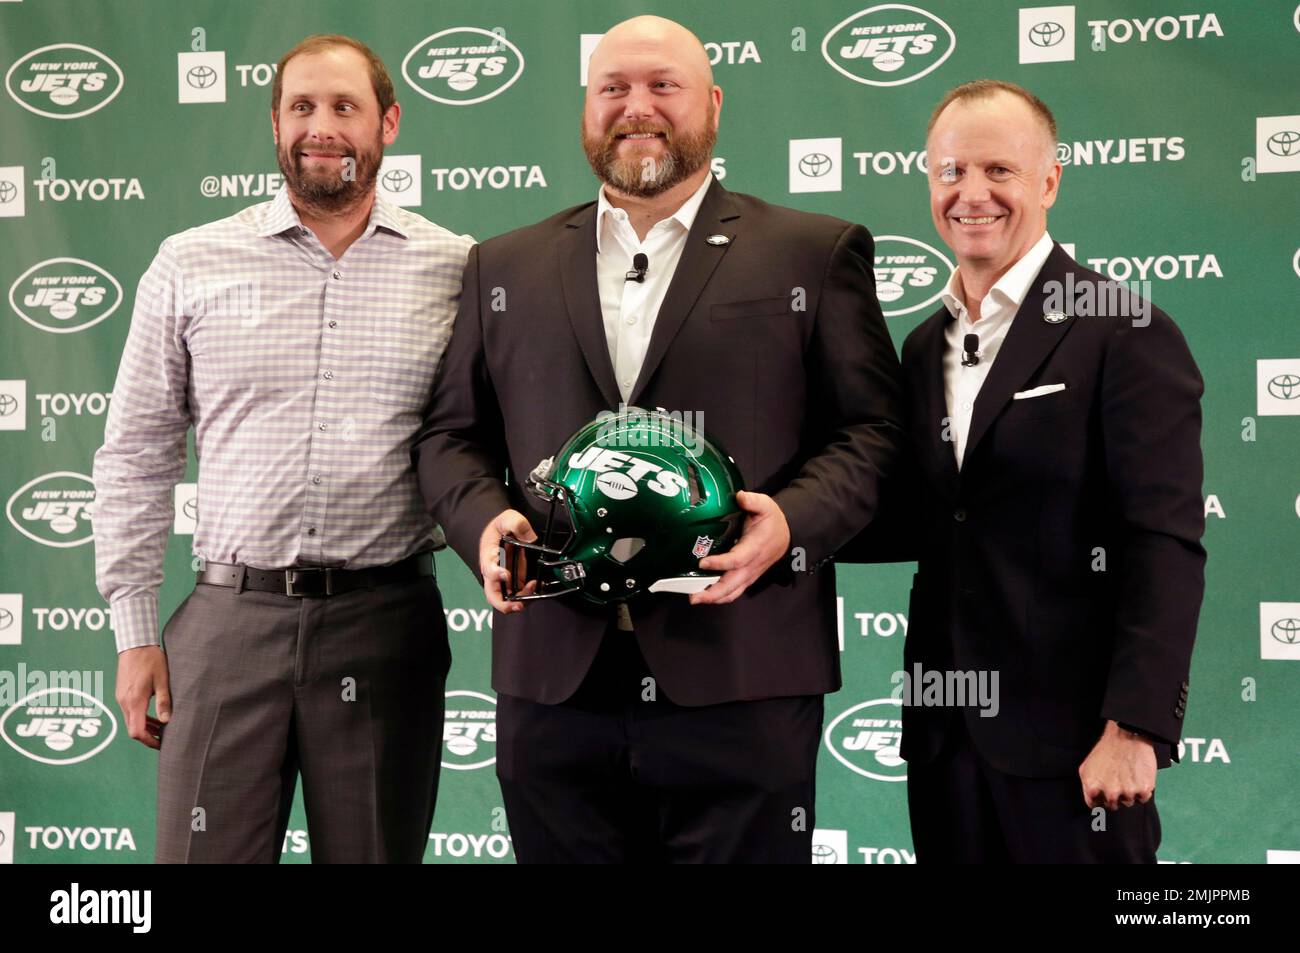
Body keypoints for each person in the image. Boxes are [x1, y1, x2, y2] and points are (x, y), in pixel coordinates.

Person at [413, 15, 904, 863]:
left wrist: (791, 523)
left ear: (712, 103)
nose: (636, 106)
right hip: (554, 685)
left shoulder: (812, 254)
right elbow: (450, 434)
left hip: (743, 679)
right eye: (614, 88)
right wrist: (480, 521)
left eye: (662, 86)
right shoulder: (503, 266)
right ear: (586, 109)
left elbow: (874, 431)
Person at [93, 34, 472, 863]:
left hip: (387, 630)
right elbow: (136, 452)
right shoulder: (190, 262)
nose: (322, 126)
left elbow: (473, 447)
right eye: (301, 106)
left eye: (345, 107)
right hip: (227, 628)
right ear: (275, 126)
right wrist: (133, 633)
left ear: (390, 123)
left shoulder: (457, 269)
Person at [850, 79, 1204, 862]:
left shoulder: (1126, 330)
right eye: (951, 173)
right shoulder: (919, 348)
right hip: (946, 744)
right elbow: (917, 515)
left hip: (1080, 751)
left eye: (999, 171)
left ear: (1049, 180)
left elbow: (1163, 544)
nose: (972, 194)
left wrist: (1134, 727)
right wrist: (755, 516)